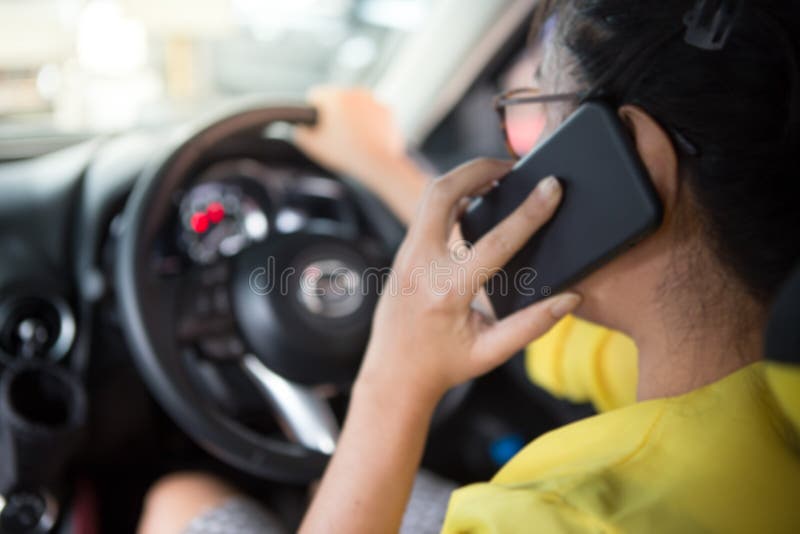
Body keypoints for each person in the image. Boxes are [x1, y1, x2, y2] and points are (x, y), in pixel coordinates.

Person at [138, 0, 800, 532]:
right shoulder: (748, 355)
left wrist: (391, 383)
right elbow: (542, 322)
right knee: (326, 477)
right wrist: (383, 168)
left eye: (538, 116)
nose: (523, 159)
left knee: (180, 499)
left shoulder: (563, 518)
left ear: (635, 158)